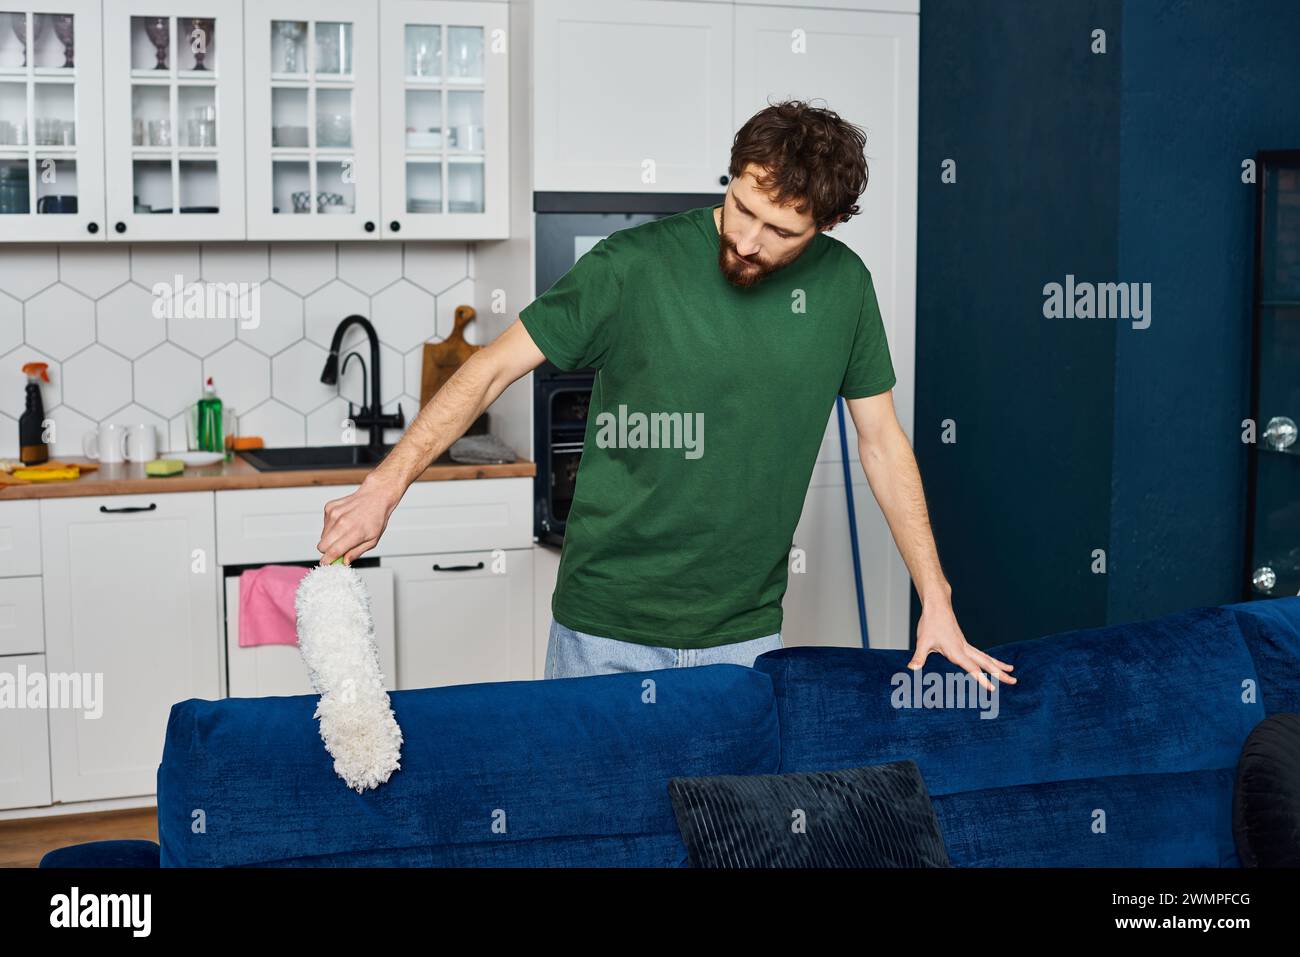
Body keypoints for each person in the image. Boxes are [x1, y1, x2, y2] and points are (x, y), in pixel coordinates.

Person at [317, 100, 1015, 690]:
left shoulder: (845, 289)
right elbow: (491, 368)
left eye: (780, 232)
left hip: (744, 637)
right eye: (742, 207)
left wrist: (937, 598)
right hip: (603, 631)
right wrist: (385, 485)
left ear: (825, 228)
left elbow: (882, 442)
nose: (746, 240)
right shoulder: (633, 266)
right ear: (732, 176)